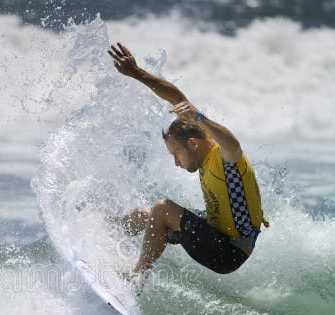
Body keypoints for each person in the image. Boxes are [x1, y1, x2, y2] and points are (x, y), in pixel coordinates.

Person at [108, 43, 268, 276]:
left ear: (193, 143)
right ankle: (107, 229)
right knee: (148, 214)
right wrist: (136, 73)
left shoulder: (225, 158)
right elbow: (176, 97)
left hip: (229, 250)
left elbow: (234, 145)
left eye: (176, 154)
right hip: (215, 232)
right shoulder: (202, 153)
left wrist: (200, 117)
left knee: (163, 208)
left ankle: (135, 279)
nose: (176, 163)